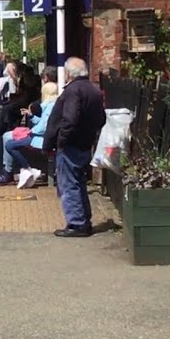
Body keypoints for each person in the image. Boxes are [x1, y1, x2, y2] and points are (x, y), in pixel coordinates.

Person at [43, 57, 106, 237]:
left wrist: (61, 141)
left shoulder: (73, 90)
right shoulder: (93, 90)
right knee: (79, 184)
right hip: (85, 143)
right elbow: (101, 119)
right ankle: (84, 220)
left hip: (71, 145)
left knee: (69, 185)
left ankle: (77, 224)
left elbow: (69, 120)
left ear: (69, 73)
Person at [0, 81, 59, 188]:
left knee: (9, 143)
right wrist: (31, 116)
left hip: (41, 138)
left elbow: (43, 127)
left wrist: (31, 131)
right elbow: (42, 122)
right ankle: (8, 171)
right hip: (41, 136)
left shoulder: (50, 107)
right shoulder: (51, 105)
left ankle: (19, 171)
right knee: (7, 136)